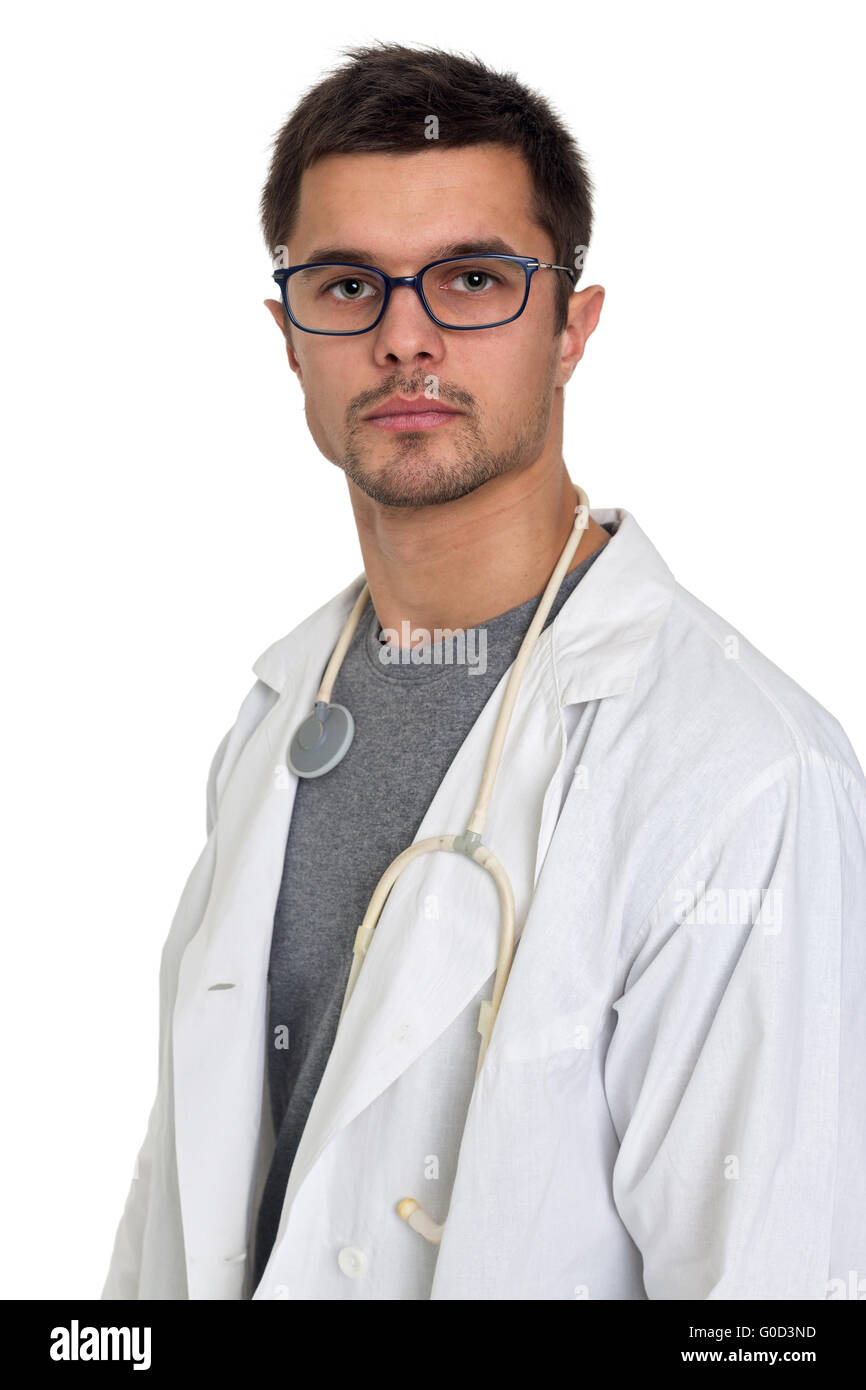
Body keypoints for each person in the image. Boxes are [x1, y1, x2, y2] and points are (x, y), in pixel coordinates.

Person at [102, 41, 866, 1302]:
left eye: (469, 278)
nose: (404, 338)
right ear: (289, 336)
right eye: (347, 285)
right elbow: (179, 1212)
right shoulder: (276, 719)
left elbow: (772, 1305)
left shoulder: (735, 774)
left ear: (571, 325)